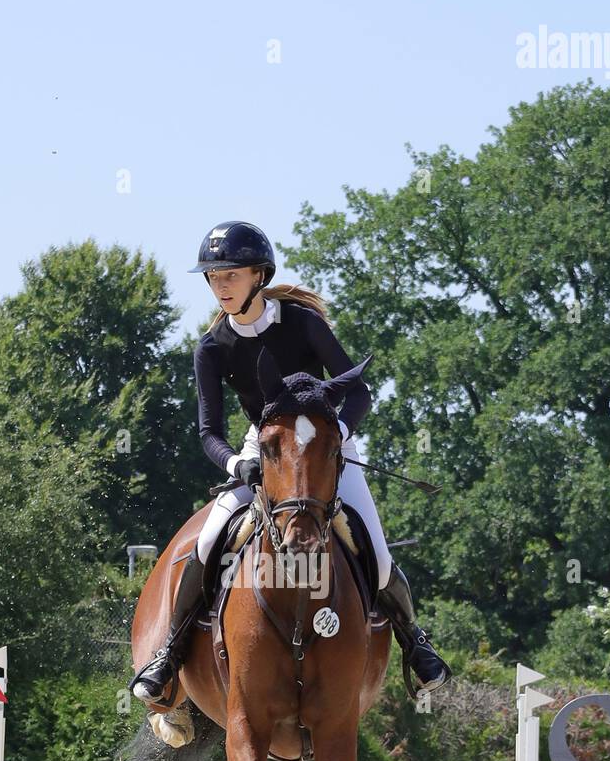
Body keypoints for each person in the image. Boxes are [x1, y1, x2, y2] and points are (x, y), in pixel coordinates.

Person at [129, 220, 451, 704]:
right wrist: (237, 465)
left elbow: (357, 391)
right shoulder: (213, 348)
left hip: (326, 443)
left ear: (259, 275)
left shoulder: (303, 325)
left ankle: (415, 643)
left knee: (377, 554)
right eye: (214, 277)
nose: (220, 285)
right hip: (260, 448)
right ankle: (170, 654)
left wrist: (337, 439)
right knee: (207, 543)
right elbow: (208, 433)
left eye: (230, 275)